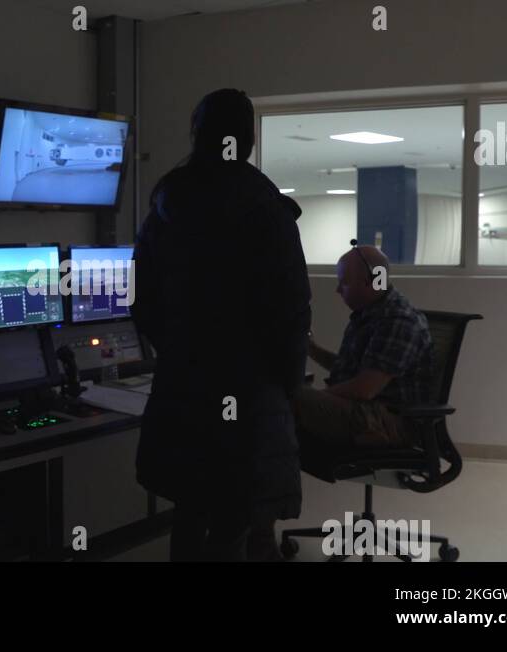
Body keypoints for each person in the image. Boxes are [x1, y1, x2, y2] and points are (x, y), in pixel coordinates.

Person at [131, 89, 312, 561]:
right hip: (250, 392)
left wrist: (176, 350)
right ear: (248, 139)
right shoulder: (267, 209)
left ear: (197, 135)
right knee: (237, 512)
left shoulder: (165, 208)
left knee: (190, 509)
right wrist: (287, 384)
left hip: (183, 386)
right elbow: (291, 310)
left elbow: (141, 299)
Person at [296, 245, 433, 453]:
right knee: (287, 393)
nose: (338, 290)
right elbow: (355, 370)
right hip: (368, 412)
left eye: (344, 283)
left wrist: (319, 398)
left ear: (371, 281)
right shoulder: (370, 314)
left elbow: (364, 388)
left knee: (287, 397)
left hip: (386, 422)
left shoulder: (398, 320)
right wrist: (312, 349)